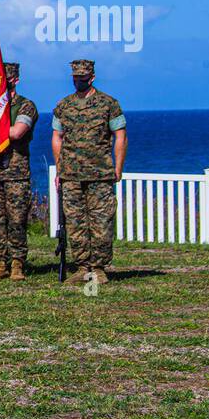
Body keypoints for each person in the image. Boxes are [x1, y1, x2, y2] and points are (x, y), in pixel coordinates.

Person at [52, 59, 127, 285]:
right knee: (75, 223)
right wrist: (59, 168)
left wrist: (118, 168)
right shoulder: (63, 106)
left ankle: (99, 268)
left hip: (100, 175)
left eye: (83, 78)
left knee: (101, 223)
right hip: (71, 176)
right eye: (76, 78)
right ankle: (82, 267)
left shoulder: (108, 104)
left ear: (92, 78)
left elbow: (120, 136)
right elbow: (57, 137)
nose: (79, 82)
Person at [0, 62, 38, 280]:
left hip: (16, 173)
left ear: (15, 80)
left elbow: (17, 132)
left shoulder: (26, 105)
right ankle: (0, 263)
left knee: (16, 220)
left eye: (6, 79)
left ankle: (17, 263)